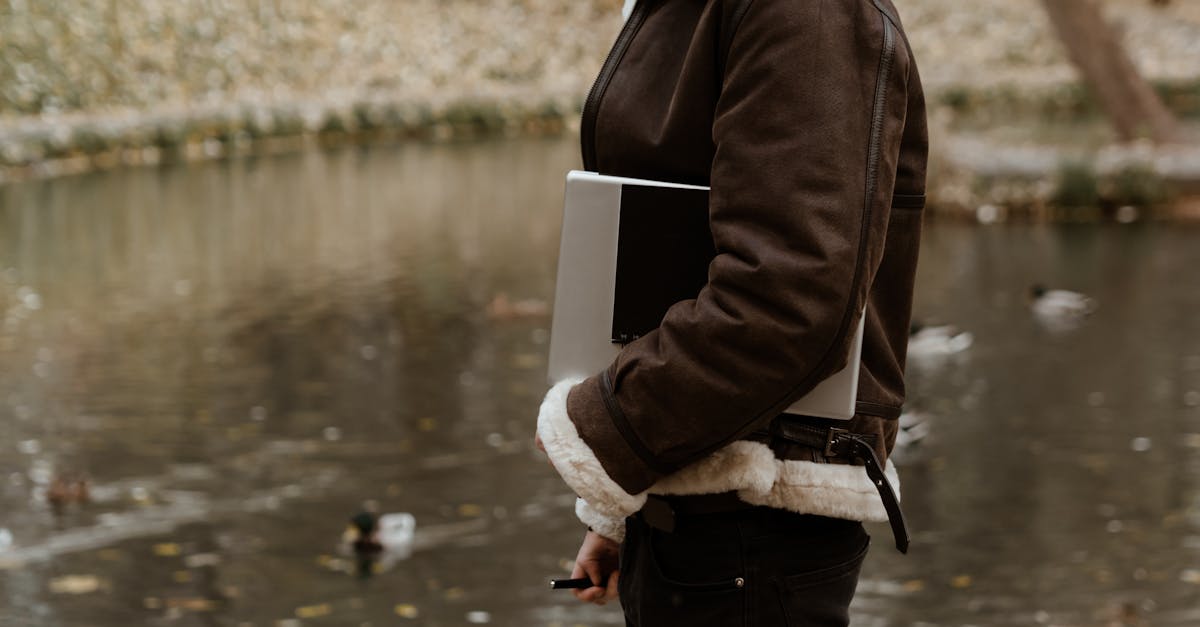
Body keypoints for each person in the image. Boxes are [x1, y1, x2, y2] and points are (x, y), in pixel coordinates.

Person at [536, 0, 927, 624]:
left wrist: (603, 426)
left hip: (754, 524)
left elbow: (789, 297)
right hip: (693, 505)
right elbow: (670, 245)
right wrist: (620, 507)